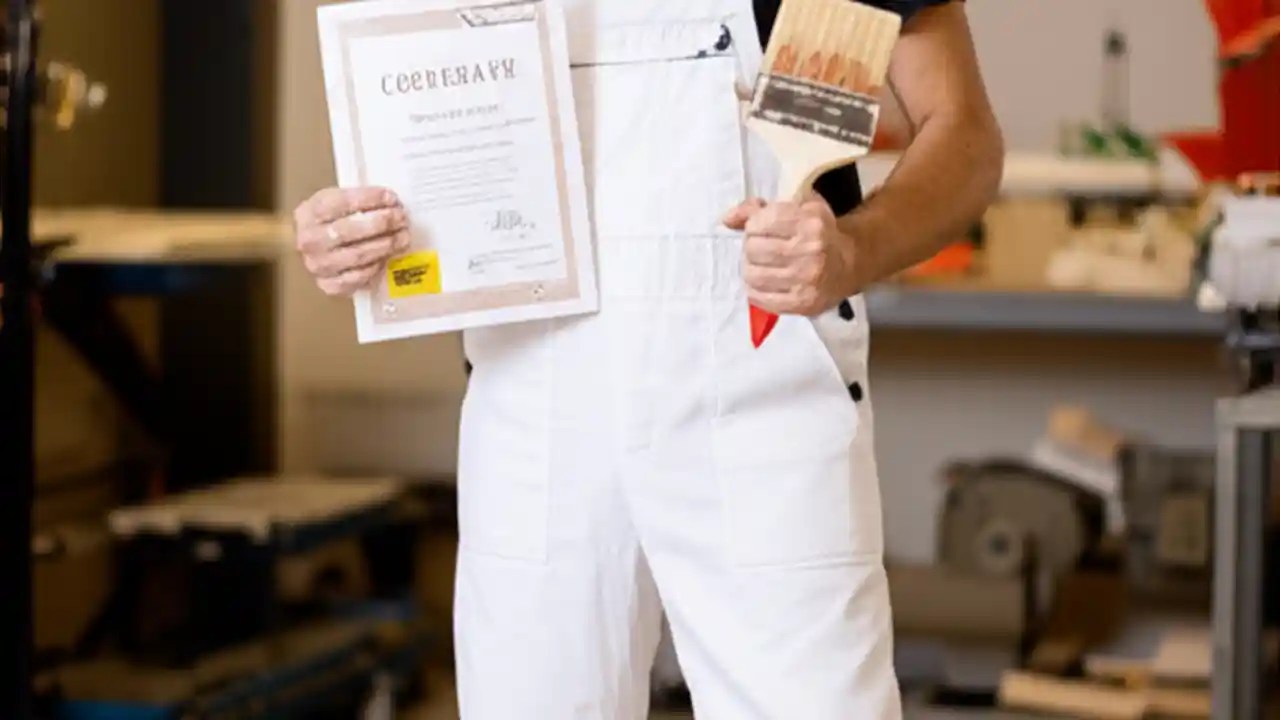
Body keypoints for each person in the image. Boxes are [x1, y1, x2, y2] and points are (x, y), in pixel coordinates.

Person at [293, 0, 1002, 716]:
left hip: (762, 389)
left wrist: (853, 249)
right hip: (533, 412)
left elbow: (963, 134)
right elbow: (429, 144)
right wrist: (358, 235)